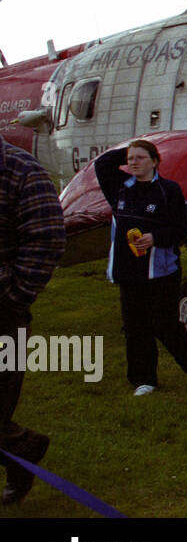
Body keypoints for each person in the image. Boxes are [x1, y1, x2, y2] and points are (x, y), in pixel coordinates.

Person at [94, 140, 187, 396]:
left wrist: (156, 238)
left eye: (141, 157)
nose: (133, 162)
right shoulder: (120, 187)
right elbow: (102, 163)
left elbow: (182, 227)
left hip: (161, 270)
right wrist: (132, 149)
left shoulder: (169, 190)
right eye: (130, 158)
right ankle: (144, 380)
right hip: (127, 269)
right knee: (135, 327)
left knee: (164, 323)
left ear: (155, 161)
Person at [0, 140, 65, 505]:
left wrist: (14, 297)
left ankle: (22, 450)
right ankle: (23, 448)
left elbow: (47, 241)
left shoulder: (23, 172)